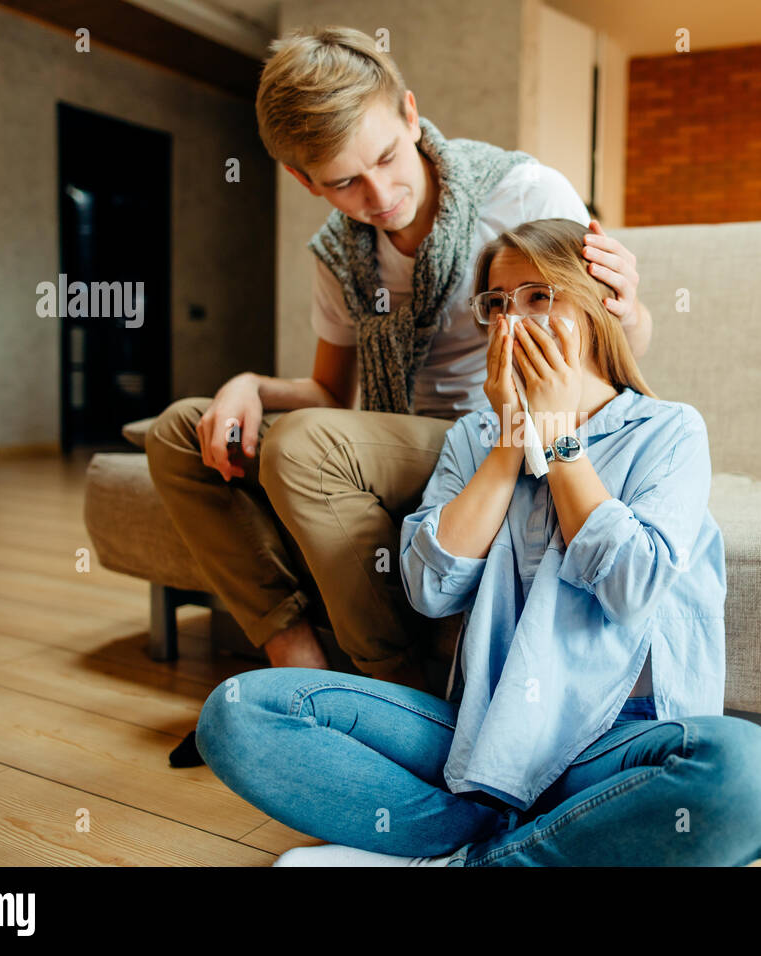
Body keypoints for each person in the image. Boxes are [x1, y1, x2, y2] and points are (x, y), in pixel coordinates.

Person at [194, 219, 761, 866]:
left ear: (594, 308)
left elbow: (632, 586)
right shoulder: (475, 437)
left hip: (616, 750)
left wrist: (561, 436)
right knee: (235, 714)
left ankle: (465, 859)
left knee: (751, 774)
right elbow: (428, 589)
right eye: (499, 304)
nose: (513, 321)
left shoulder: (669, 430)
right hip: (487, 737)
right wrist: (513, 438)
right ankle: (529, 846)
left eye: (539, 297)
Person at [145, 26, 655, 766]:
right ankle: (303, 675)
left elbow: (611, 353)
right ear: (304, 181)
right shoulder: (338, 256)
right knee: (178, 431)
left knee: (304, 443)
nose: (378, 196)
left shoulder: (522, 192)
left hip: (494, 433)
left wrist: (631, 307)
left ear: (411, 115)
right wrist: (247, 385)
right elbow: (328, 390)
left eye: (385, 157)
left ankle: (396, 696)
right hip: (394, 436)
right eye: (344, 182)